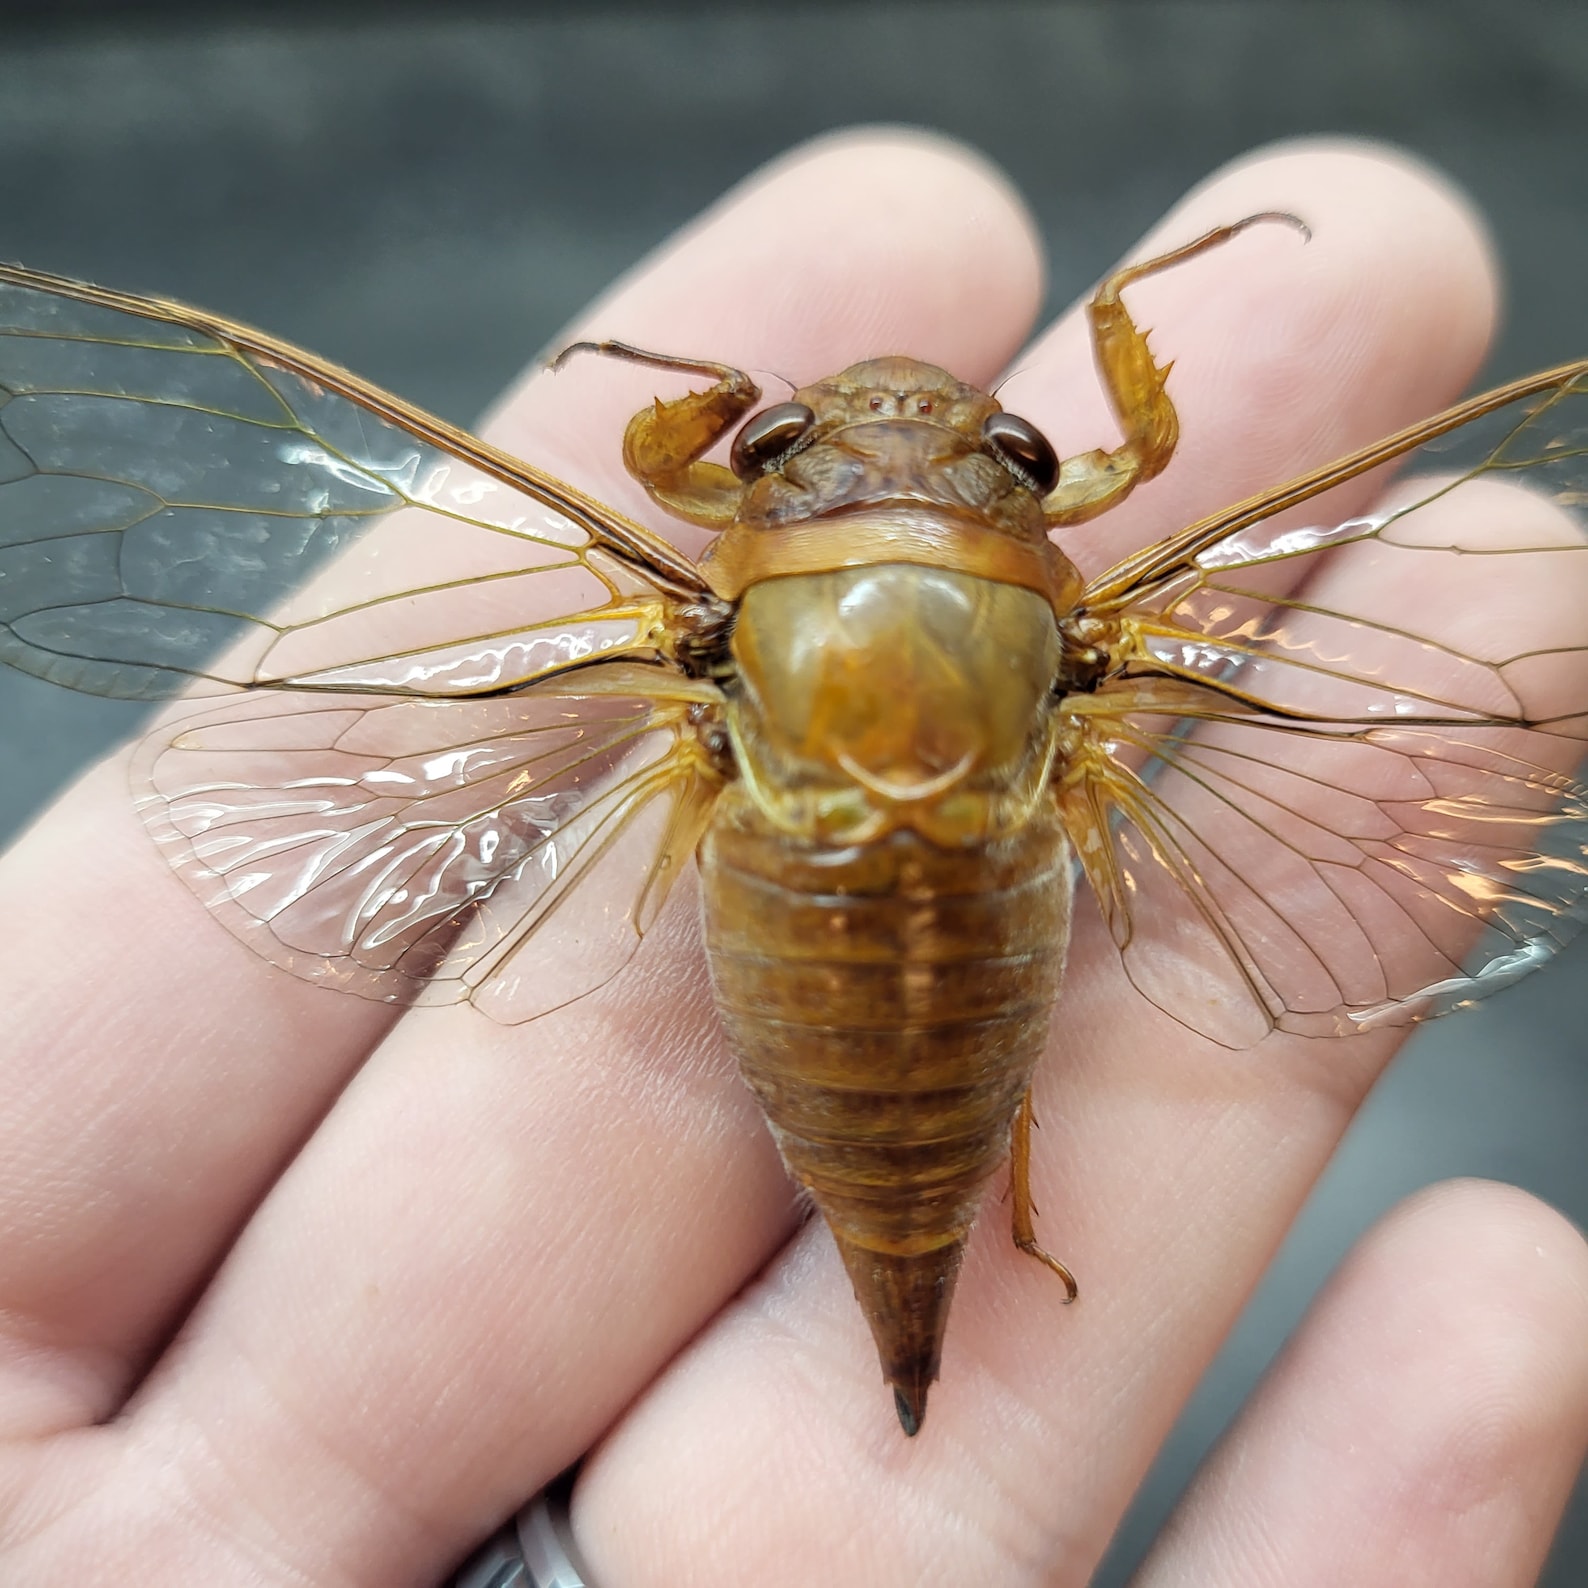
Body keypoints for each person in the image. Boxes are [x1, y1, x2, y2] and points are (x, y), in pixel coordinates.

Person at [2, 129, 1586, 1587]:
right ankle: (976, 1200)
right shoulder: (1087, 626)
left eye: (1002, 451)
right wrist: (1120, 329)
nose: (901, 442)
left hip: (823, 907)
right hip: (972, 920)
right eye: (786, 444)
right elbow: (1144, 457)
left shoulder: (693, 607)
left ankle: (949, 1214)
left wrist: (716, 405)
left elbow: (652, 464)